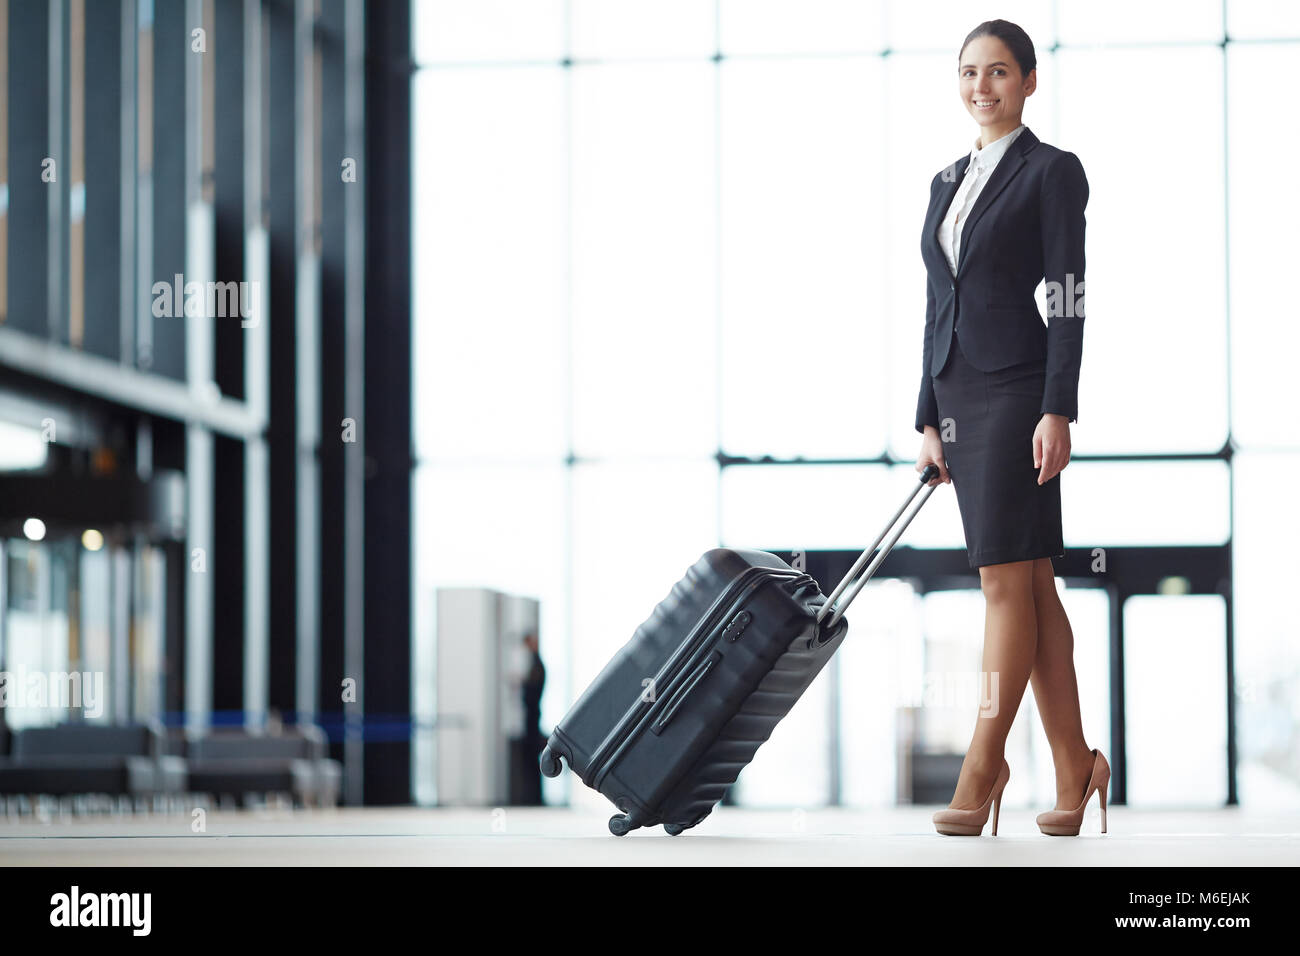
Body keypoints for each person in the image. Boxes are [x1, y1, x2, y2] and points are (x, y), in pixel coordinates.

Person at [914, 20, 1109, 837]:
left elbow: (1067, 290)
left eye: (998, 72)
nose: (981, 87)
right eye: (968, 72)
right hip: (960, 393)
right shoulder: (945, 180)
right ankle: (1078, 768)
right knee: (1030, 586)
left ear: (1030, 81)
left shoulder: (1051, 172)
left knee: (1003, 584)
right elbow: (936, 305)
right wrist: (927, 413)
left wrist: (1058, 405)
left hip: (1020, 391)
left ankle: (983, 760)